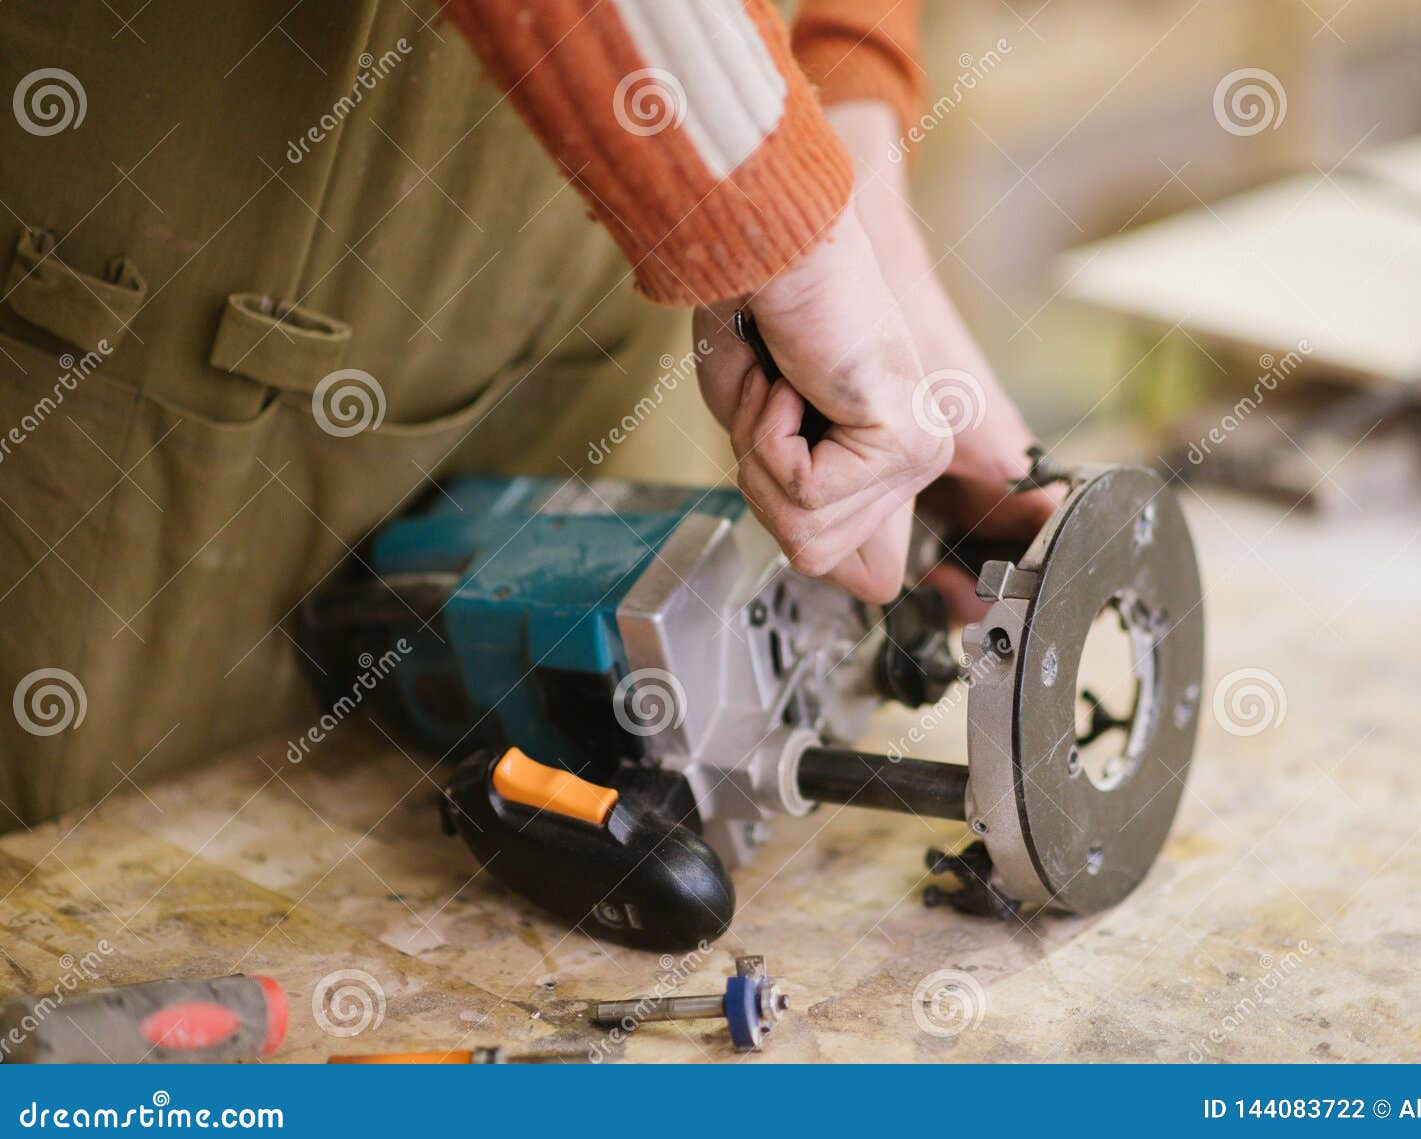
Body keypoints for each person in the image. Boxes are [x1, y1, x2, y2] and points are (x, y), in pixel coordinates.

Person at [0, 0, 1052, 830]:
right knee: (131, 882)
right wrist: (784, 228)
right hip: (236, 216)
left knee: (659, 683)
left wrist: (845, 138)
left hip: (639, 214)